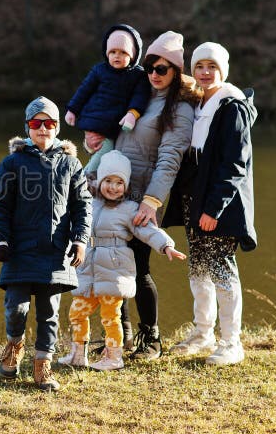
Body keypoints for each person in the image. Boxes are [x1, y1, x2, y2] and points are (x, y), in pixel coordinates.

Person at [86, 31, 202, 360]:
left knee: (137, 264)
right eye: (150, 66)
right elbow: (114, 133)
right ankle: (117, 337)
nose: (154, 74)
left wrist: (152, 203)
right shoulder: (141, 94)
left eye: (162, 69)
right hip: (113, 192)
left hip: (144, 197)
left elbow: (170, 158)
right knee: (111, 263)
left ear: (176, 72)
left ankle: (151, 339)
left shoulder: (179, 108)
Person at [162, 41, 257, 366]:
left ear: (223, 71)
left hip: (220, 204)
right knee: (198, 268)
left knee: (222, 270)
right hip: (194, 198)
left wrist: (213, 209)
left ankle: (231, 343)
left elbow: (234, 165)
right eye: (199, 66)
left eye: (212, 67)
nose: (204, 72)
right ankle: (202, 333)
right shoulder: (198, 102)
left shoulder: (232, 107)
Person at [0, 96, 92, 391]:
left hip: (55, 253)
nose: (43, 128)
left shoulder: (71, 164)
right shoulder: (12, 162)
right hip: (19, 251)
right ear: (28, 127)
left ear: (57, 127)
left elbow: (83, 206)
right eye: (36, 123)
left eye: (49, 123)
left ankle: (43, 365)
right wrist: (0, 240)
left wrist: (80, 239)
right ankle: (14, 346)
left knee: (49, 314)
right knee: (16, 308)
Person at [57, 150, 186, 371]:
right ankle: (78, 353)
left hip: (114, 271)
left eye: (119, 182)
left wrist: (166, 245)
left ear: (125, 186)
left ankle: (114, 356)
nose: (113, 187)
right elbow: (71, 224)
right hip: (88, 270)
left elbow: (148, 230)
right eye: (108, 180)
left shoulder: (129, 209)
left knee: (110, 317)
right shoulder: (88, 203)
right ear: (99, 181)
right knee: (77, 312)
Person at [64, 24, 151, 177]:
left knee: (106, 150)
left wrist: (133, 113)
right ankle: (85, 176)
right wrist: (73, 109)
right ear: (106, 53)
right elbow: (84, 90)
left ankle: (84, 177)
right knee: (105, 148)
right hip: (94, 118)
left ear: (133, 55)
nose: (117, 56)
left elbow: (140, 96)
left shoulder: (138, 76)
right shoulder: (99, 70)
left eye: (123, 52)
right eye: (113, 52)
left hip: (113, 123)